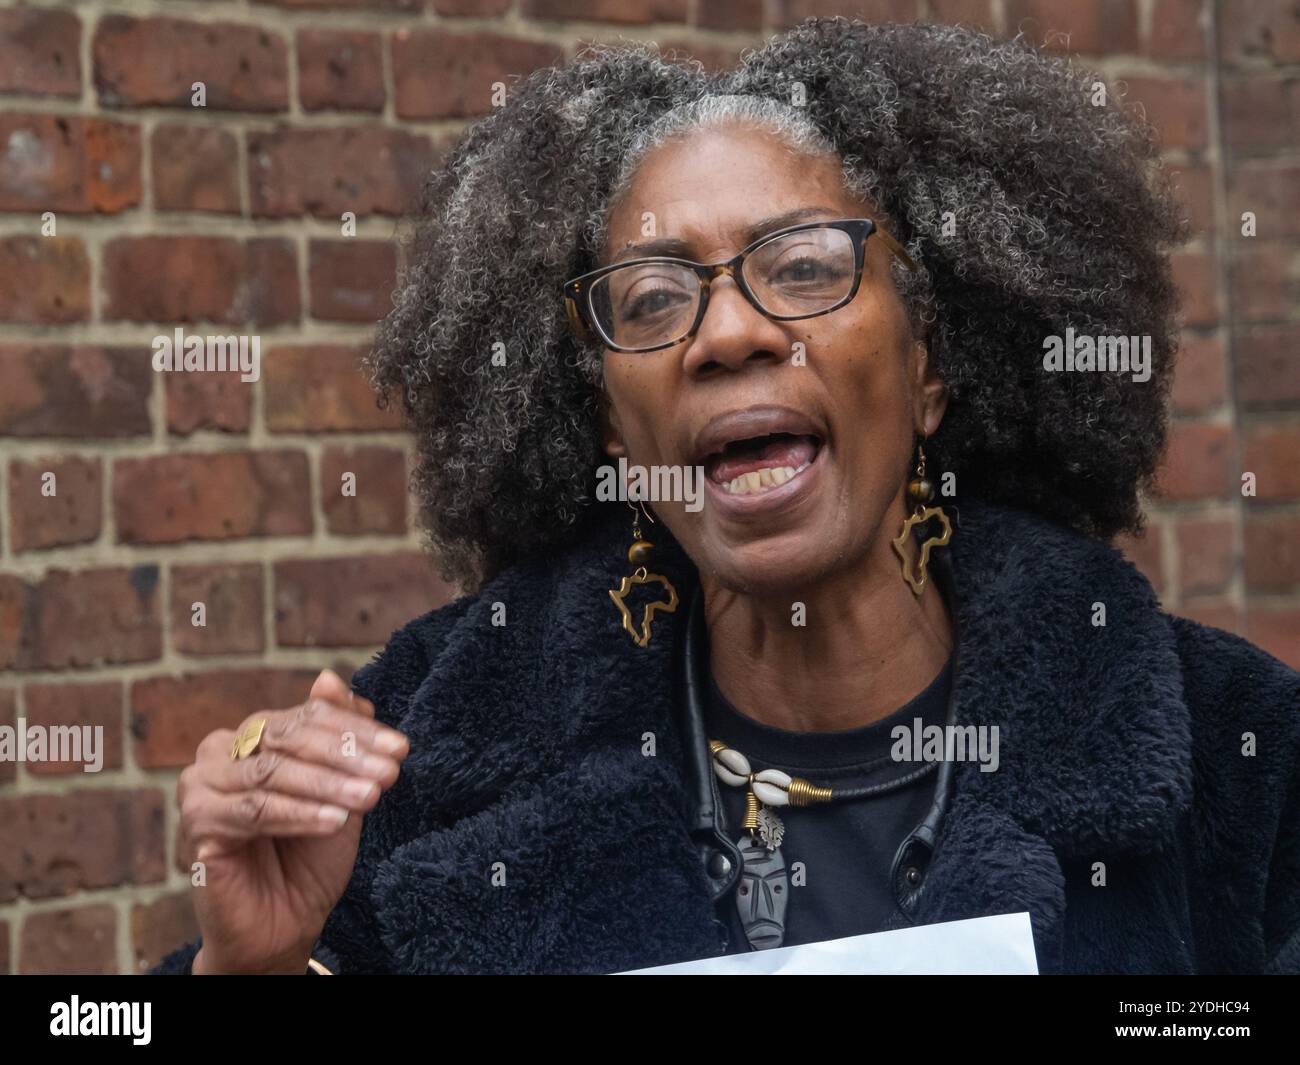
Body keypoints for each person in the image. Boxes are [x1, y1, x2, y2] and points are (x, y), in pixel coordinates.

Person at [153, 17, 1299, 976]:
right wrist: (255, 966)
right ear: (611, 423)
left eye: (803, 267)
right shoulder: (427, 748)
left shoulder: (1238, 749)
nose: (728, 333)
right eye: (653, 298)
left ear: (929, 366)